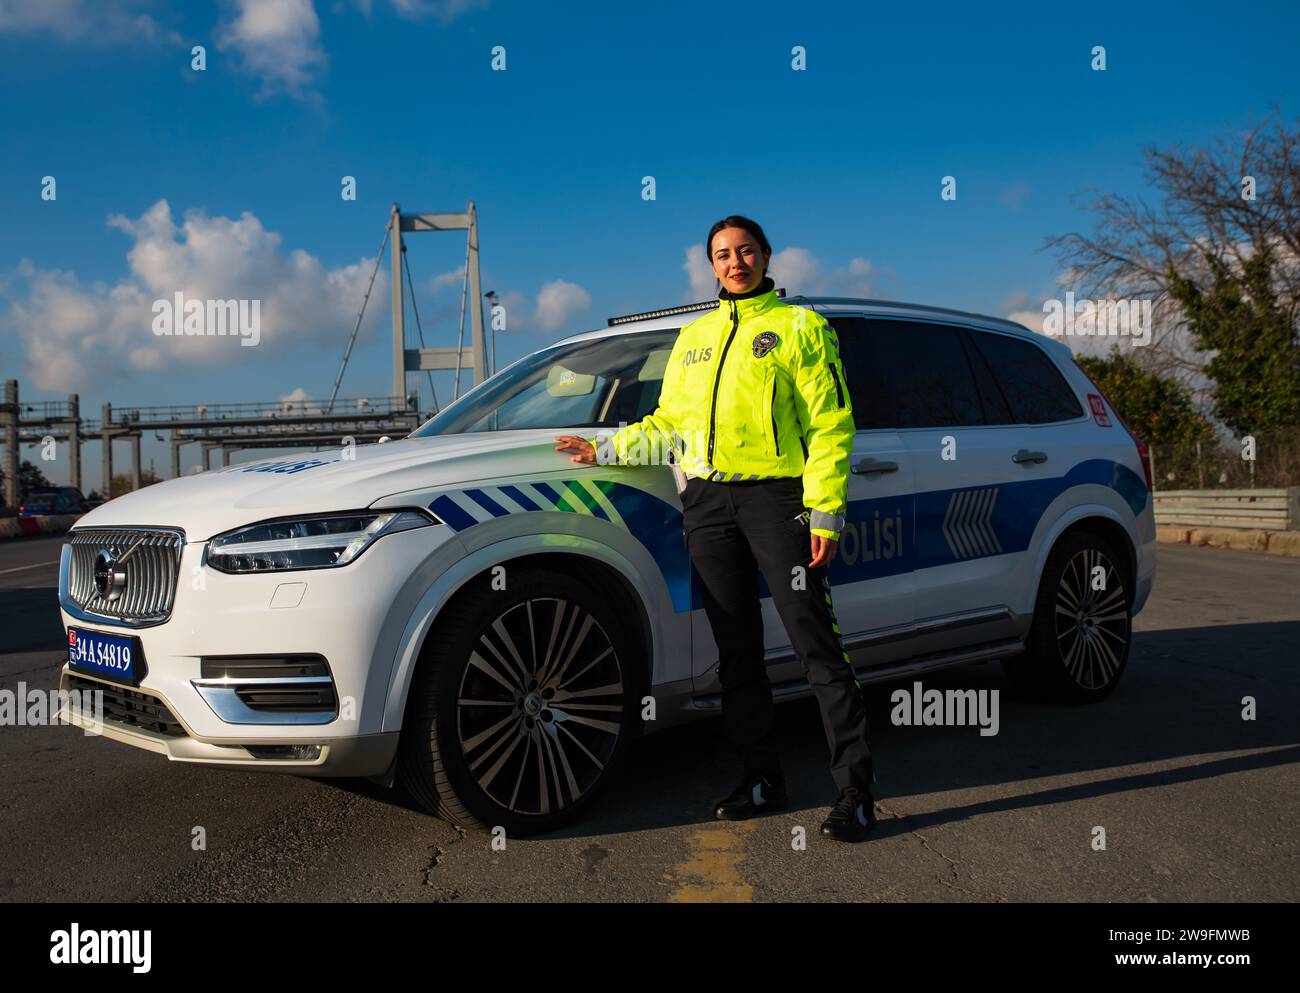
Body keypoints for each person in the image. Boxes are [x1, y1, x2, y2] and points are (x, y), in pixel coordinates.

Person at [554, 215, 876, 841]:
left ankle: (856, 791)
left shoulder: (799, 328)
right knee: (736, 651)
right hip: (706, 505)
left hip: (779, 502)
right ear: (711, 265)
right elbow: (667, 422)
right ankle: (761, 779)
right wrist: (607, 448)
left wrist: (826, 511)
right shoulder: (693, 338)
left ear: (766, 256)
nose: (735, 262)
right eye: (723, 254)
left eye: (746, 251)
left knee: (816, 645)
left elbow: (832, 425)